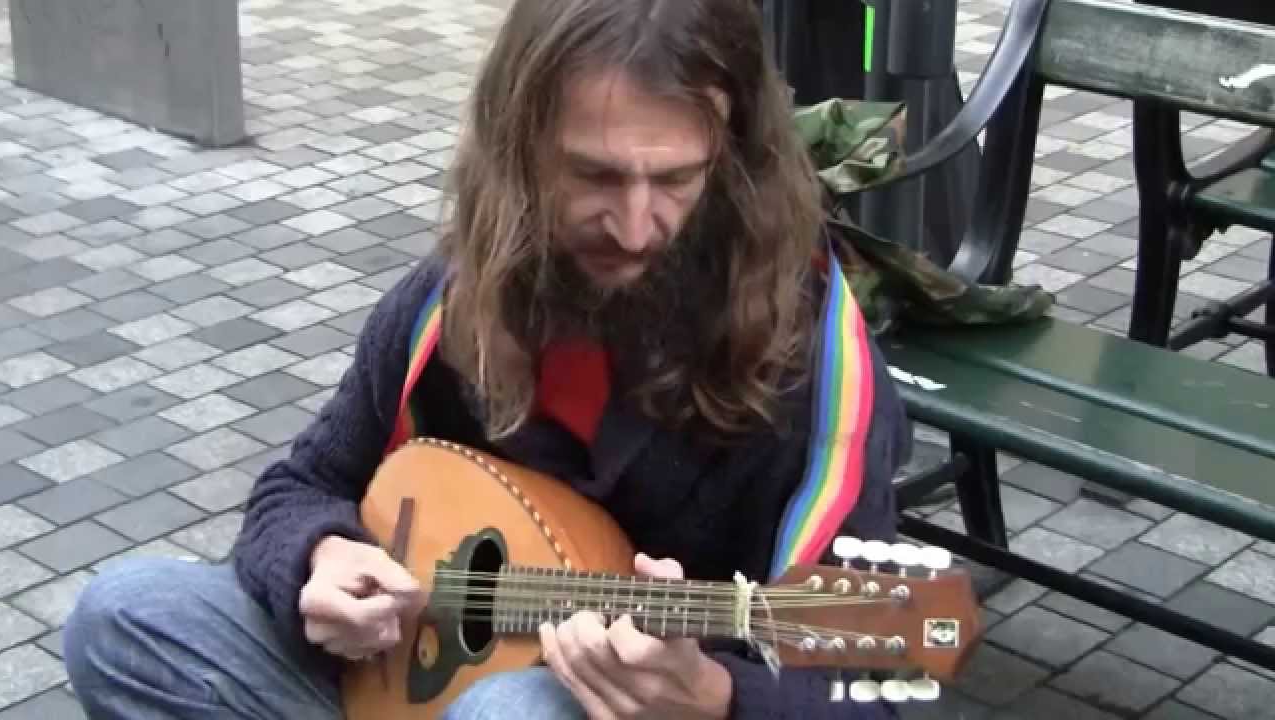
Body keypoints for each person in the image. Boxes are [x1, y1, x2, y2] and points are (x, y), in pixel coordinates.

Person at [62, 0, 911, 718]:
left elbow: (869, 668)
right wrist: (317, 559)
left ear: (730, 162)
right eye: (595, 176)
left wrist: (717, 696)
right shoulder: (449, 299)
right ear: (520, 149)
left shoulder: (809, 366)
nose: (637, 226)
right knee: (125, 616)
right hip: (407, 687)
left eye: (677, 179)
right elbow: (302, 485)